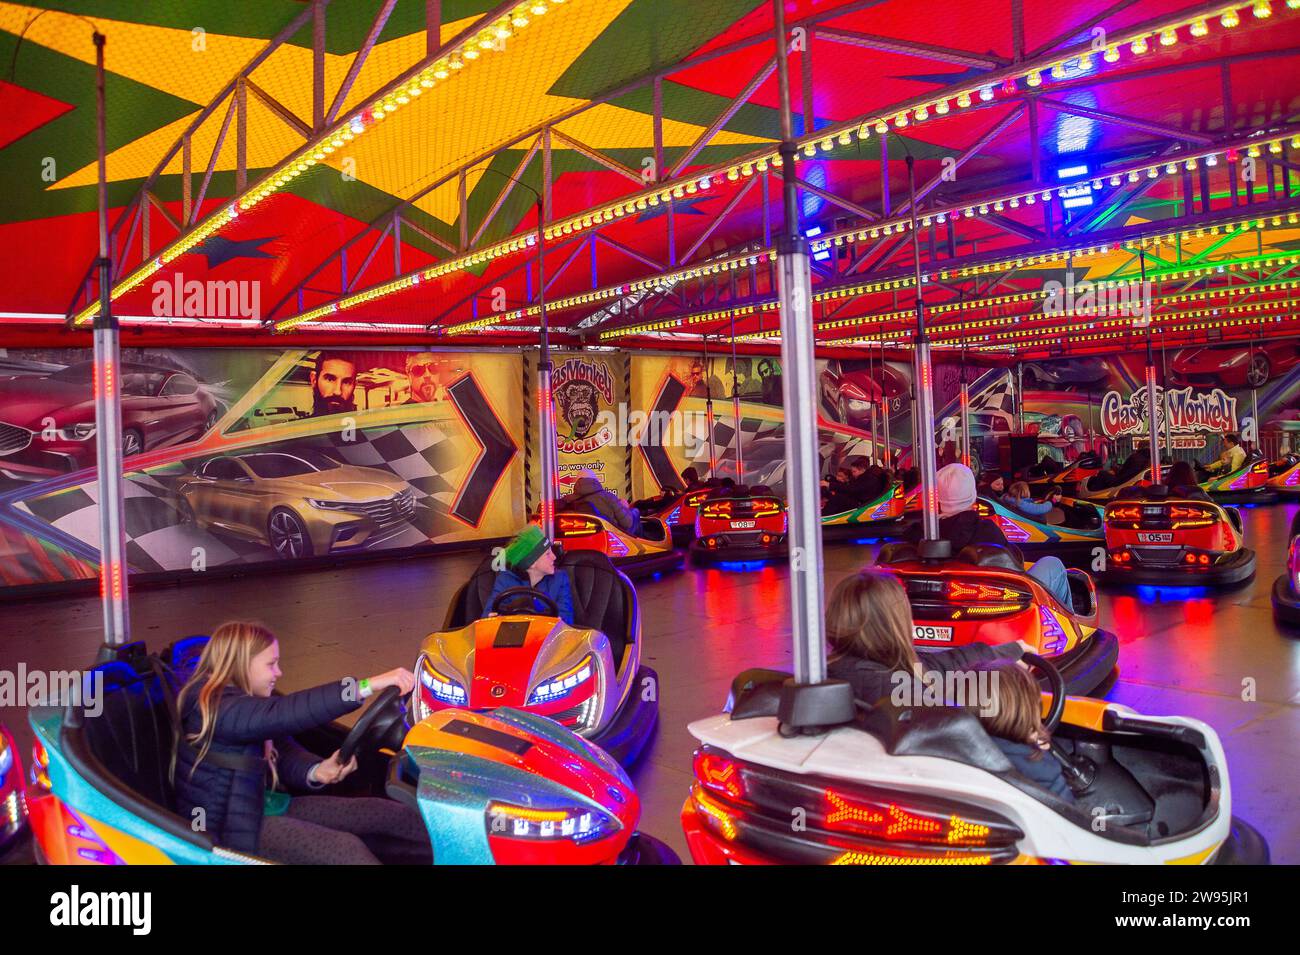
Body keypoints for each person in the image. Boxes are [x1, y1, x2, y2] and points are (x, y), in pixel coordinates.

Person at [173, 622, 425, 864]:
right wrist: (367, 686)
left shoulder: (245, 702)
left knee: (389, 814)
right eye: (271, 664)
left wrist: (315, 770)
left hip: (262, 805)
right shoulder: (214, 708)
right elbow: (287, 713)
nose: (278, 673)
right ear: (241, 665)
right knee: (344, 849)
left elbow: (282, 749)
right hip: (229, 831)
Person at [825, 569, 1031, 704]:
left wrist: (1007, 652)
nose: (912, 622)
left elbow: (933, 665)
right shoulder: (894, 689)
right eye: (906, 613)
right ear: (892, 623)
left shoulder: (853, 666)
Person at [907, 464, 1075, 612]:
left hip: (946, 601)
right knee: (1053, 564)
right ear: (972, 494)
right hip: (1000, 601)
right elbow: (1016, 566)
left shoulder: (921, 534)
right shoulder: (986, 530)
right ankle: (1066, 627)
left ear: (939, 496)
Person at [970, 659, 1074, 801]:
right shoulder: (1041, 771)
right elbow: (1069, 815)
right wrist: (1038, 751)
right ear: (1027, 710)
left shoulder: (956, 749)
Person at [487, 525, 575, 624]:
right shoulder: (505, 580)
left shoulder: (560, 579)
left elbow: (567, 619)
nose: (554, 557)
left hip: (547, 637)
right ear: (532, 563)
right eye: (547, 554)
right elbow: (488, 616)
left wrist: (560, 622)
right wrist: (493, 619)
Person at [558, 469, 642, 535]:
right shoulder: (608, 497)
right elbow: (627, 523)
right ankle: (643, 549)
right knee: (635, 511)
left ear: (577, 483)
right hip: (611, 537)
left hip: (581, 538)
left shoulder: (567, 500)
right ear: (595, 480)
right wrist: (625, 507)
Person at [821, 457, 888, 514]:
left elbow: (852, 489)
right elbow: (852, 488)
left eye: (854, 471)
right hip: (860, 501)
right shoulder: (865, 477)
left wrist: (829, 485)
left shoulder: (869, 479)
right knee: (837, 496)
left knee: (837, 498)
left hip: (862, 505)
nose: (853, 474)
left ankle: (824, 516)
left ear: (862, 470)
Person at [309, 352, 357, 417]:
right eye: (330, 379)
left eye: (346, 382)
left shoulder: (365, 426)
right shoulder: (299, 426)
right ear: (314, 380)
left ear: (354, 385)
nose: (338, 392)